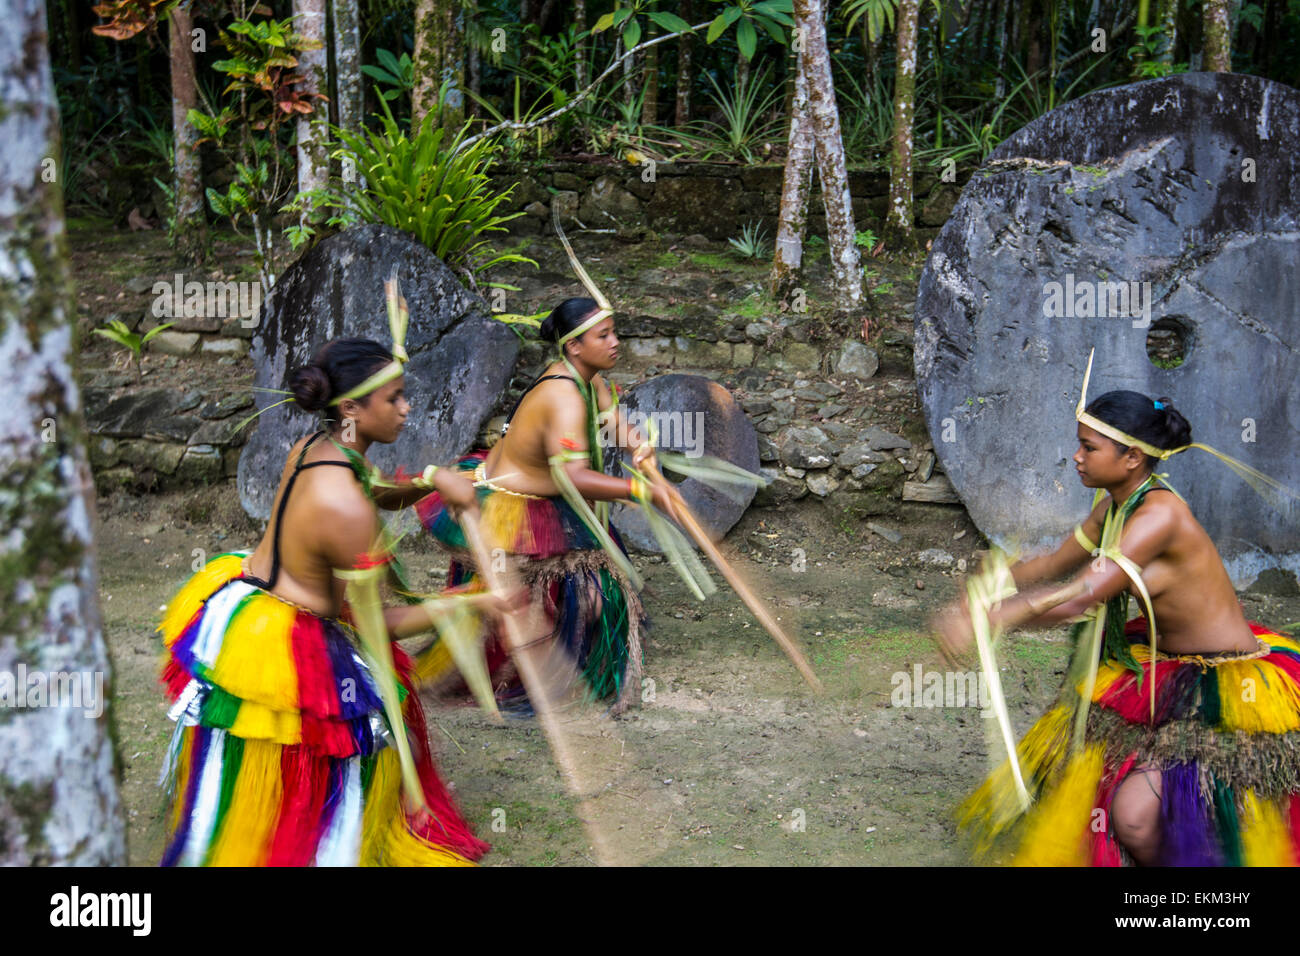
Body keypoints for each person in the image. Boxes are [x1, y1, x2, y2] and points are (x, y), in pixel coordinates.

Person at [936, 361, 1300, 866]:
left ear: (1131, 457)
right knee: (1103, 791)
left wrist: (993, 618)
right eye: (1079, 444)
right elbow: (1055, 565)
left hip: (1226, 678)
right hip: (1162, 663)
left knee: (1131, 816)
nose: (1076, 458)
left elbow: (1084, 594)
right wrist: (987, 587)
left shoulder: (1159, 517)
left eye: (1089, 447)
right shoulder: (1114, 507)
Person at [157, 336, 499, 866]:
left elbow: (376, 486)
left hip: (244, 602)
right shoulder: (347, 513)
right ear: (350, 408)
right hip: (292, 633)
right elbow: (377, 625)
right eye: (395, 398)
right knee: (361, 716)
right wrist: (471, 600)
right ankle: (306, 820)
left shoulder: (318, 449)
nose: (407, 408)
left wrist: (431, 480)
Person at [417, 296, 685, 715]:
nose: (616, 342)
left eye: (615, 332)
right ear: (574, 346)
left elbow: (613, 417)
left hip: (549, 499)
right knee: (579, 598)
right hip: (511, 507)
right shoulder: (563, 397)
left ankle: (571, 653)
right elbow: (574, 476)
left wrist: (640, 446)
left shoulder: (587, 377)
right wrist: (643, 492)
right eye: (604, 335)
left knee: (604, 589)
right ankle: (527, 669)